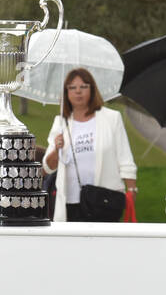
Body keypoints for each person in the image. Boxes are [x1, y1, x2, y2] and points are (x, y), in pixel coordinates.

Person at [43, 68, 136, 222]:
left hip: (104, 200)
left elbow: (125, 158)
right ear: (66, 93)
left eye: (83, 87)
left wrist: (131, 189)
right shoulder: (60, 122)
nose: (78, 92)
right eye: (72, 88)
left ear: (92, 90)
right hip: (70, 202)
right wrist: (57, 148)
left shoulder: (112, 118)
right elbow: (47, 167)